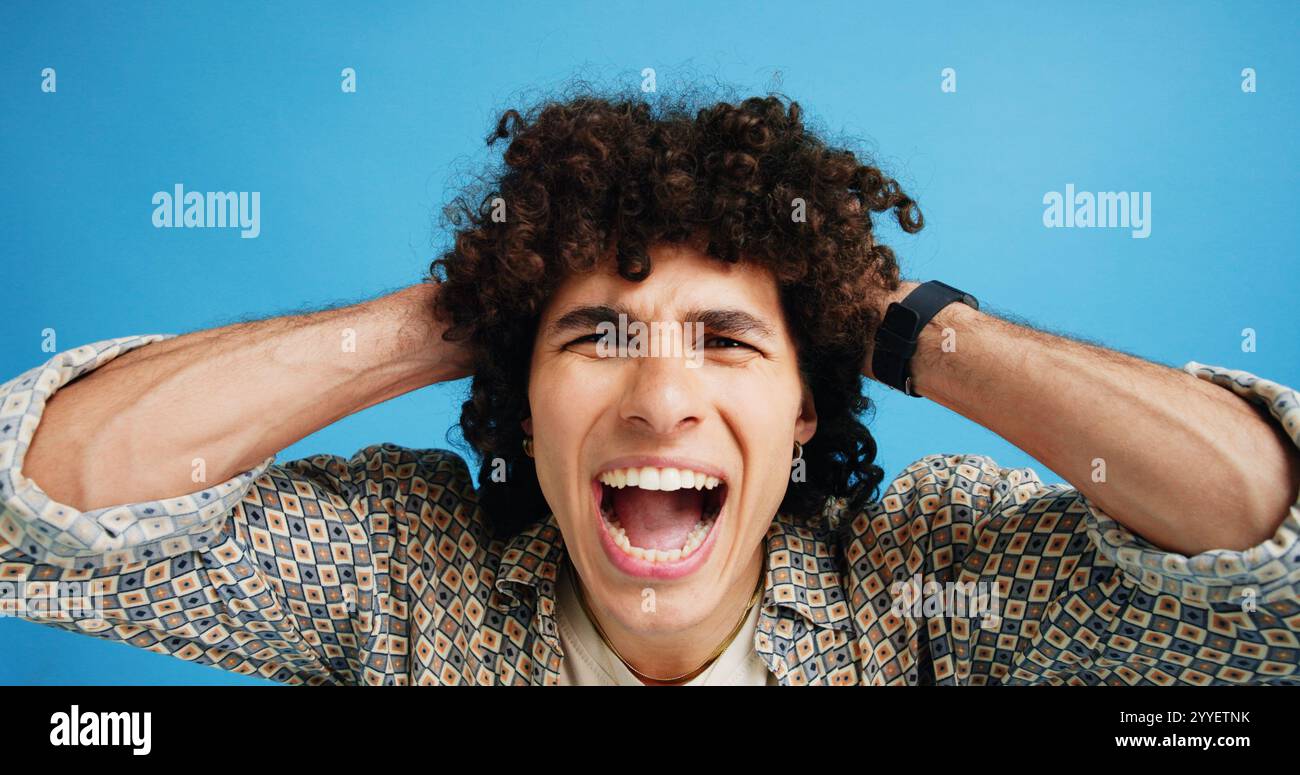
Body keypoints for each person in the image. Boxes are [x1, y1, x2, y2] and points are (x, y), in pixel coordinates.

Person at [2, 94, 1297, 685]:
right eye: (598, 341)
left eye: (728, 343)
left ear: (809, 404)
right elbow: (44, 507)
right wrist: (468, 306)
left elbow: (1261, 554)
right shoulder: (400, 583)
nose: (661, 401)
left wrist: (909, 326)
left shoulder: (924, 590)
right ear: (516, 400)